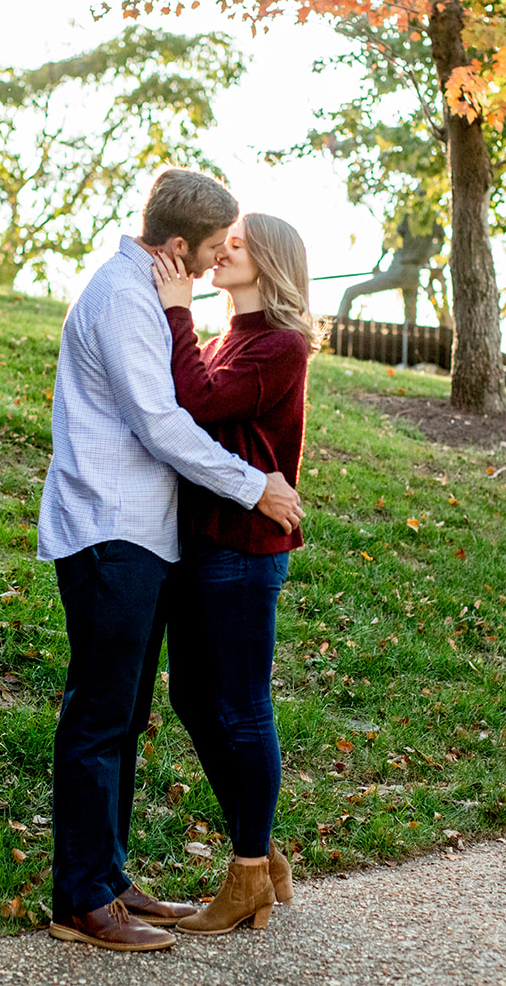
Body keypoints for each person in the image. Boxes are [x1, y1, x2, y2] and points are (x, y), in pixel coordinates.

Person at [37, 169, 304, 953]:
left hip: (146, 536)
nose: (223, 255)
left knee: (123, 716)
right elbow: (163, 421)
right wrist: (256, 486)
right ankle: (81, 899)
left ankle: (108, 877)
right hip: (109, 531)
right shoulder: (126, 299)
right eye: (217, 244)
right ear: (181, 245)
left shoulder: (154, 299)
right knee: (97, 716)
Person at [151, 213, 319, 934]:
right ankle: (262, 850)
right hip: (201, 540)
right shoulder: (228, 340)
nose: (223, 252)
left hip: (245, 548)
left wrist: (177, 308)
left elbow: (199, 401)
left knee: (244, 705)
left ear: (269, 263)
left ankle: (249, 868)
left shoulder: (283, 346)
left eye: (238, 245)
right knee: (191, 694)